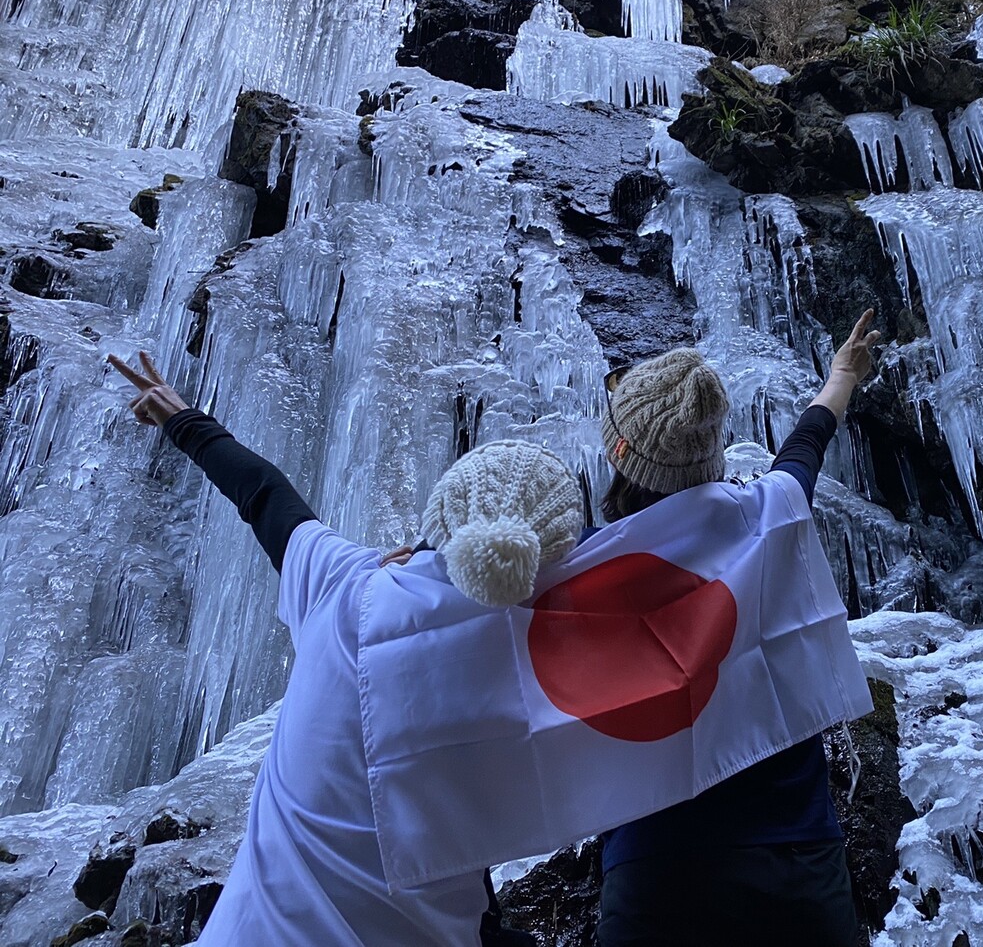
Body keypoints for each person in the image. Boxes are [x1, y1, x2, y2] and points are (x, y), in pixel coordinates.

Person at [109, 350, 581, 946]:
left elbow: (264, 494)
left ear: (439, 520)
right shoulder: (544, 679)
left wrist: (183, 419)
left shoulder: (351, 588)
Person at [595, 308, 882, 947]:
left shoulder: (583, 566)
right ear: (709, 454)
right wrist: (842, 374)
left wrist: (414, 562)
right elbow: (807, 442)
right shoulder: (767, 514)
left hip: (652, 870)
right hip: (795, 861)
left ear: (620, 456)